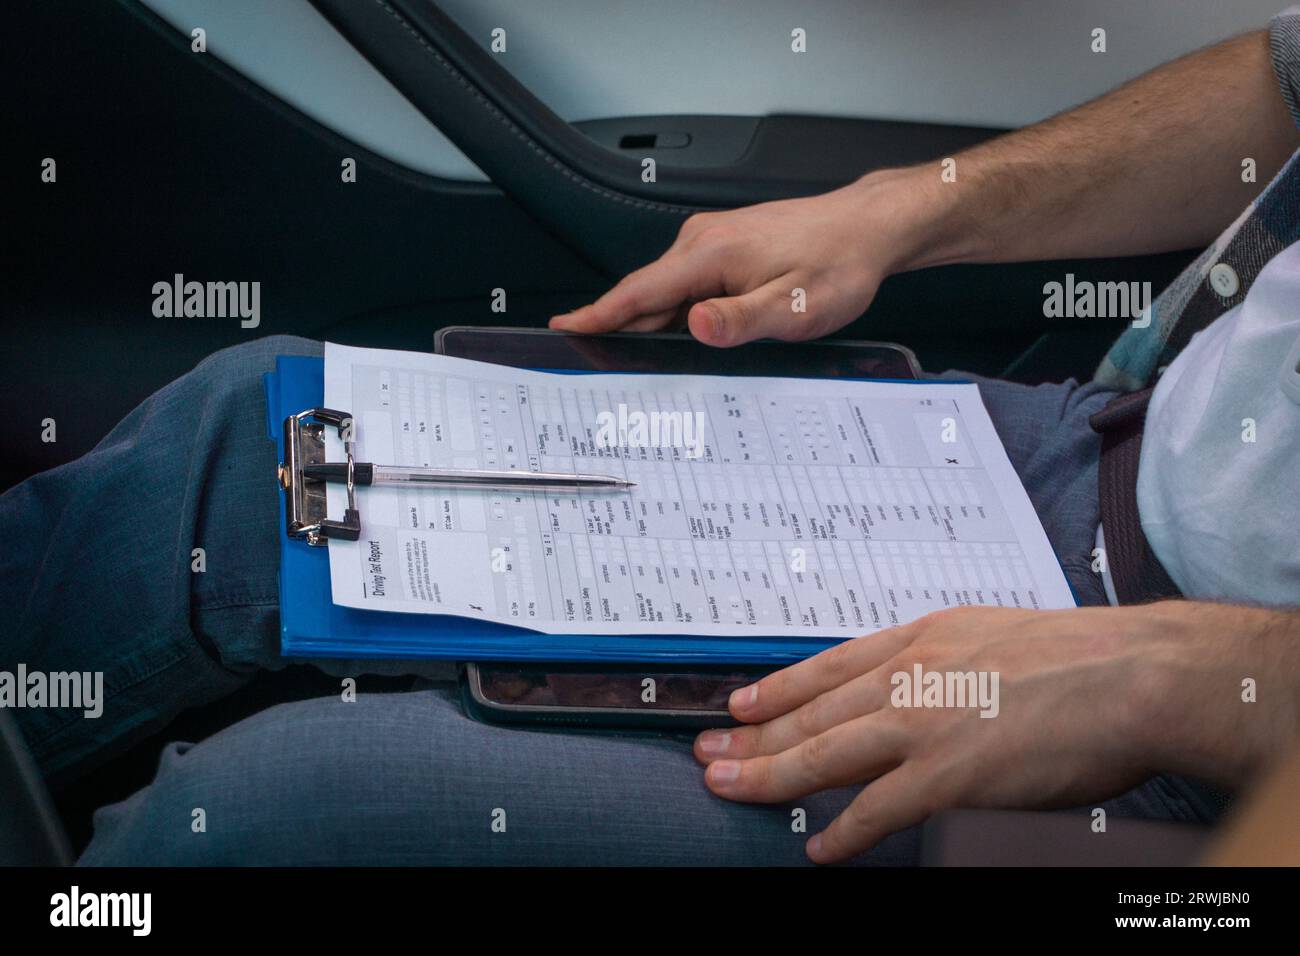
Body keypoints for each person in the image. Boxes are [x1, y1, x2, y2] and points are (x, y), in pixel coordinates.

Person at [3, 12, 1298, 865]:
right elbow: (1282, 82)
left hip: (1202, 768)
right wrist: (896, 212)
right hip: (1092, 451)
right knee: (257, 435)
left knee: (260, 821)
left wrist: (1175, 680)